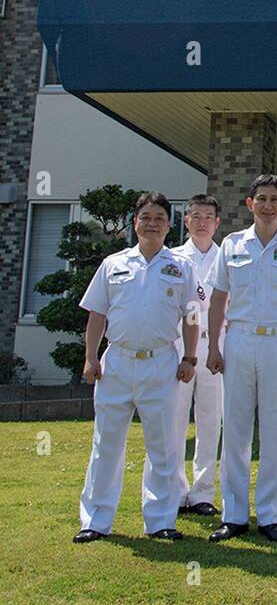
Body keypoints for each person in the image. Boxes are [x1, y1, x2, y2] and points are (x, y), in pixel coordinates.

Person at [75, 191, 199, 543]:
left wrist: (190, 357)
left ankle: (160, 520)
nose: (152, 223)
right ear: (135, 222)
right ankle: (95, 521)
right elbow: (97, 314)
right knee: (106, 444)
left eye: (160, 217)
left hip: (161, 363)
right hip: (116, 363)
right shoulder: (113, 264)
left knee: (162, 445)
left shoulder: (181, 267)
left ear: (169, 225)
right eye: (146, 217)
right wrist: (90, 357)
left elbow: (191, 316)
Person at [206, 174, 277, 544]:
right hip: (238, 340)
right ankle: (234, 514)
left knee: (276, 431)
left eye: (275, 200)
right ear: (250, 203)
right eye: (262, 199)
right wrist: (213, 346)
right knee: (235, 430)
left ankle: (271, 514)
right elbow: (219, 297)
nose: (268, 205)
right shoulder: (232, 244)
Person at [140, 194, 223, 519]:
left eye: (208, 216)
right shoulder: (171, 258)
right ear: (185, 221)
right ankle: (171, 490)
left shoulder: (226, 257)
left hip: (216, 345)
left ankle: (203, 492)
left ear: (217, 222)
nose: (202, 222)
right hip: (180, 348)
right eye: (196, 216)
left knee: (210, 421)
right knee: (171, 421)